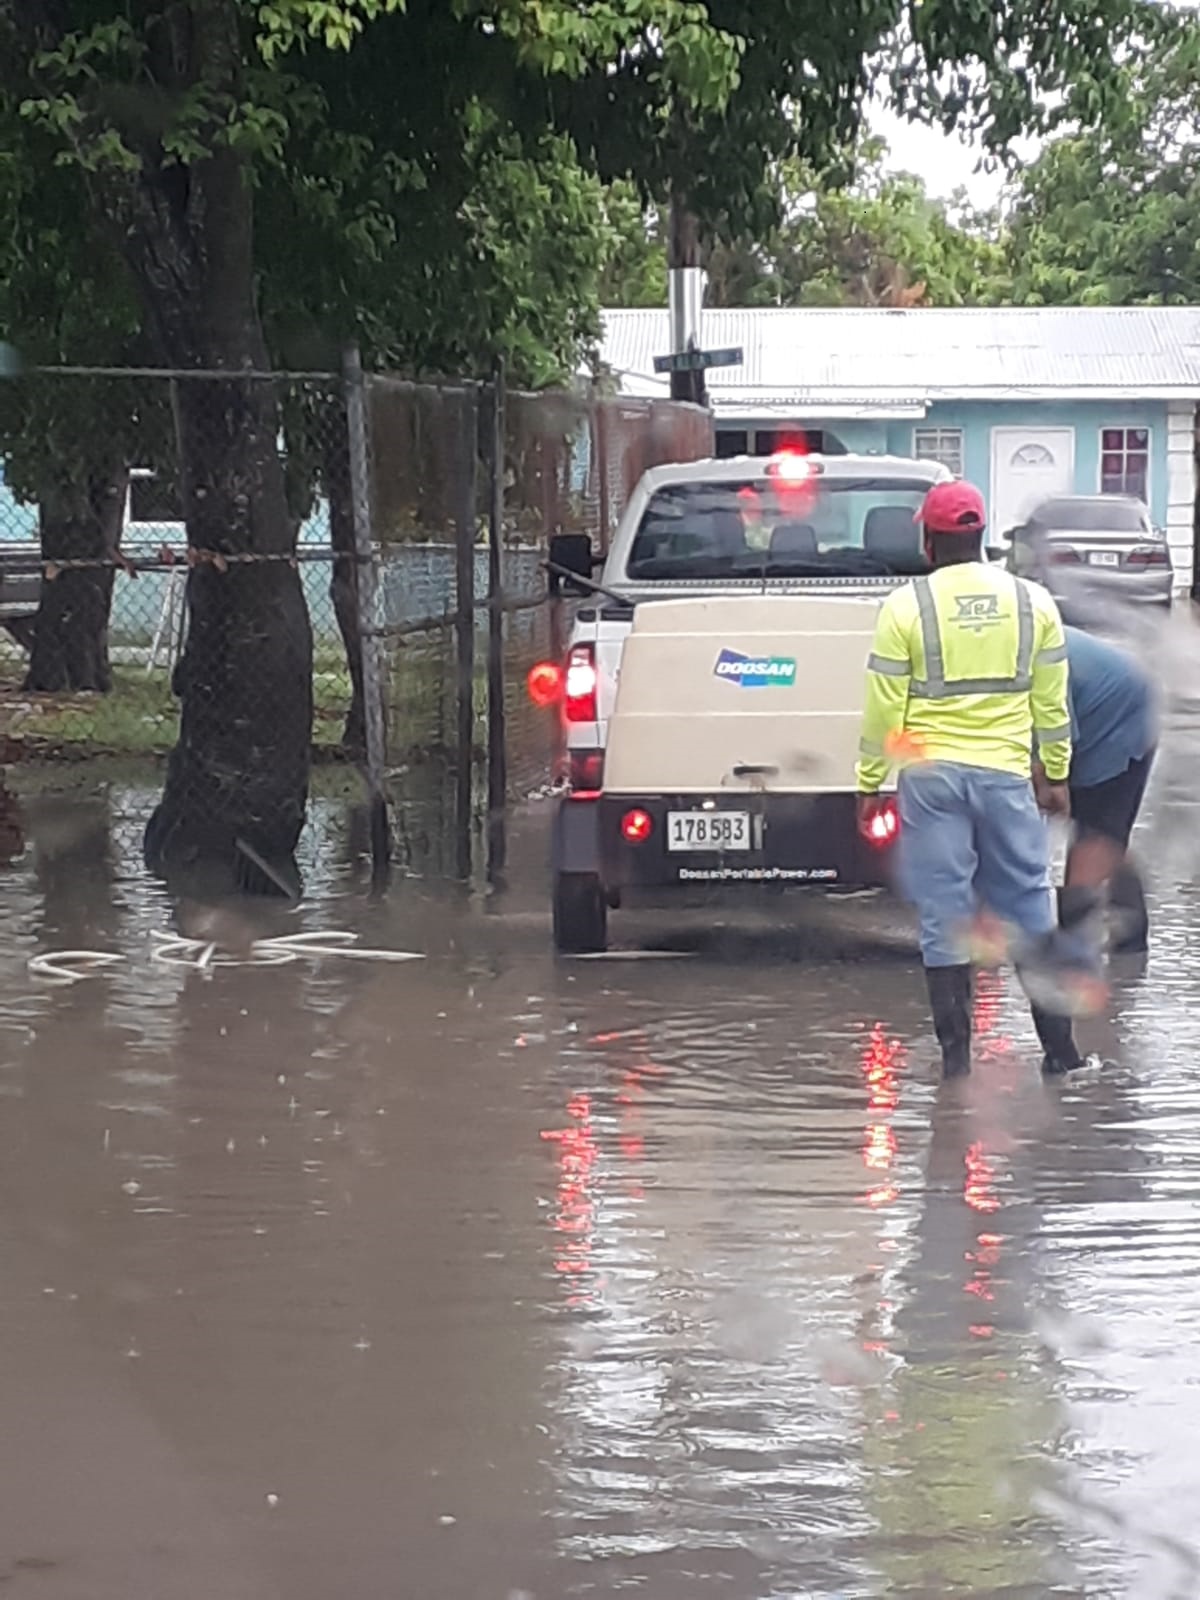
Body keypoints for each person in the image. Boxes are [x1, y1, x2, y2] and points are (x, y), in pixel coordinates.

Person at [855, 479, 1097, 1079]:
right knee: (1030, 909)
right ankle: (1061, 1057)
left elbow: (884, 710)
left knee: (943, 914)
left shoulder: (903, 607)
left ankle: (957, 1067)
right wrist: (1057, 773)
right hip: (1006, 777)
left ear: (928, 540)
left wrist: (869, 782)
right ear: (982, 537)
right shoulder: (1033, 602)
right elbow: (1052, 702)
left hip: (930, 780)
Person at [1033, 625, 1157, 955]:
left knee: (1094, 838)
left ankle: (1078, 956)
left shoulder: (1038, 666)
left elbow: (1055, 737)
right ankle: (1127, 942)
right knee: (1102, 835)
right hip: (1100, 708)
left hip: (1121, 724)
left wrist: (1048, 786)